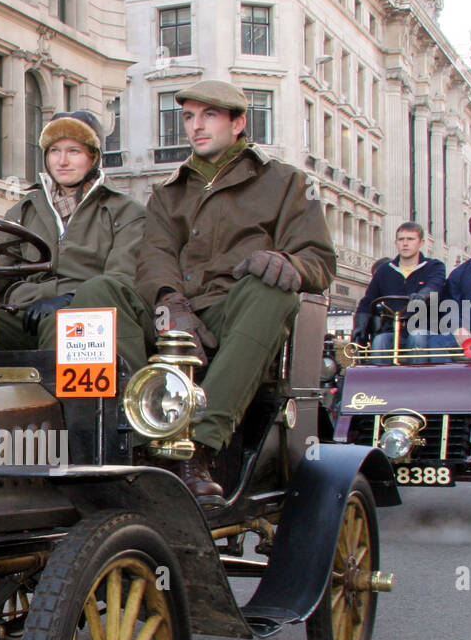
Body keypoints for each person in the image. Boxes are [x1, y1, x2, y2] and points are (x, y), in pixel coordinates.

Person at [130, 80, 335, 503]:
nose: (195, 126)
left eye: (209, 116)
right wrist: (170, 300)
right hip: (178, 315)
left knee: (273, 289)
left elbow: (319, 262)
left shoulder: (285, 183)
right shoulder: (168, 193)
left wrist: (287, 263)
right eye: (188, 117)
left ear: (238, 123)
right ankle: (123, 428)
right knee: (103, 289)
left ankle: (197, 449)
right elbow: (153, 257)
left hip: (237, 315)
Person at [0, 111, 149, 374]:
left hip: (88, 315)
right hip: (24, 311)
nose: (63, 161)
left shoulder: (124, 210)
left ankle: (61, 411)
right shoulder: (24, 210)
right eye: (54, 150)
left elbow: (121, 278)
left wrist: (69, 300)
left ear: (93, 157)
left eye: (74, 151)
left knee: (62, 327)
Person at [353, 222, 447, 357]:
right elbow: (367, 301)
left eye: (410, 239)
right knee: (380, 340)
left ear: (421, 243)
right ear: (396, 242)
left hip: (423, 327)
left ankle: (417, 376)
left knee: (416, 337)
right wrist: (360, 326)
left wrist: (423, 295)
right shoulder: (385, 270)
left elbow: (435, 285)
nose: (405, 243)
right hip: (392, 329)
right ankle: (380, 377)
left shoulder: (434, 266)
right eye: (401, 239)